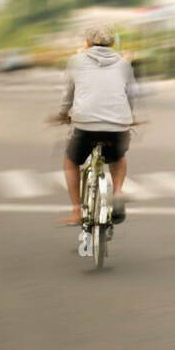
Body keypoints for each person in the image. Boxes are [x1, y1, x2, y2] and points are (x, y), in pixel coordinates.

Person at [50, 26, 138, 226]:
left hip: (86, 124)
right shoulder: (124, 64)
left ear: (87, 43)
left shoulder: (75, 61)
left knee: (71, 161)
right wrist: (130, 116)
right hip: (118, 124)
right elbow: (130, 94)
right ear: (112, 43)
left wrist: (63, 114)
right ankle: (117, 192)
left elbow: (68, 93)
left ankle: (76, 211)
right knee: (118, 158)